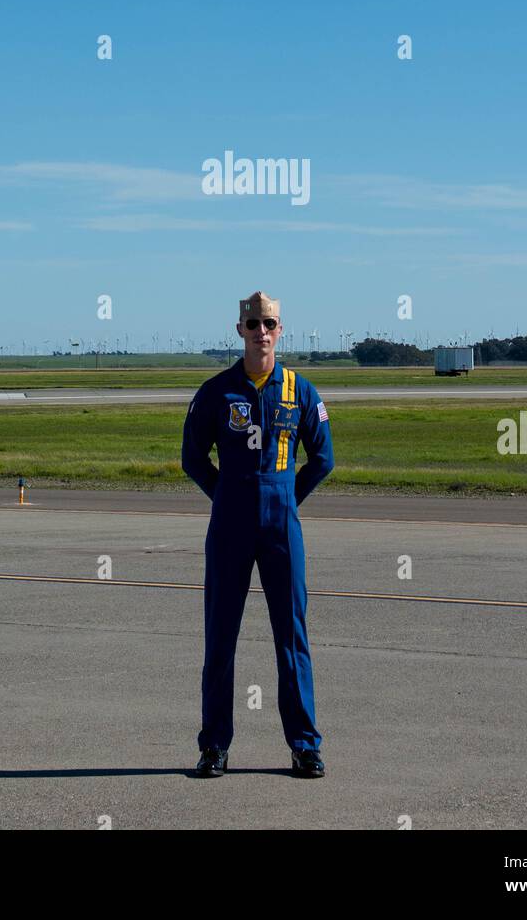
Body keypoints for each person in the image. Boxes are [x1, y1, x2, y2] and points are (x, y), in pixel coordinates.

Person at [181, 290, 334, 778]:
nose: (261, 332)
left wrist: (285, 497)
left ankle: (304, 745)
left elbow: (323, 458)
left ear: (280, 329)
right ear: (240, 330)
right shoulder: (216, 392)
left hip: (281, 528)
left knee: (291, 638)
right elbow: (191, 458)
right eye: (253, 325)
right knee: (220, 638)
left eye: (269, 323)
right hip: (229, 527)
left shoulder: (300, 389)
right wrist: (227, 495)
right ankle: (214, 747)